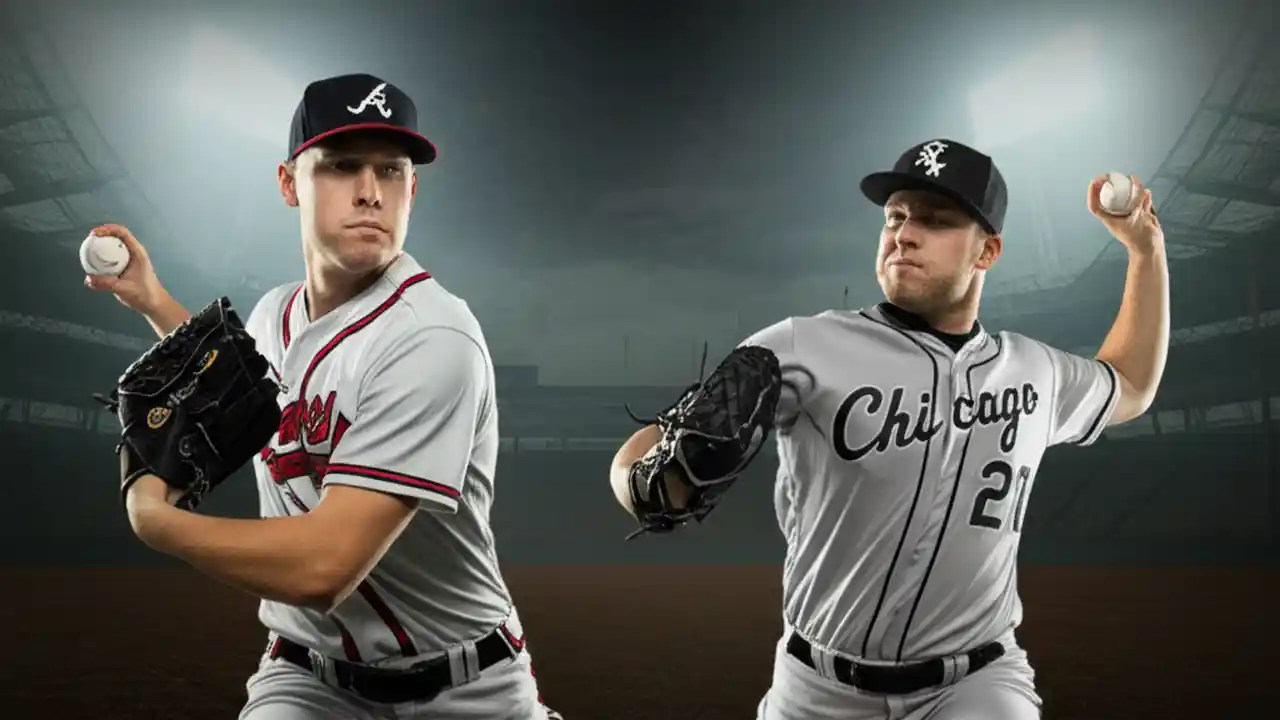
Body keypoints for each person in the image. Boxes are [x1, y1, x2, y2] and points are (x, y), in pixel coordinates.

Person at [608, 138, 1168, 719]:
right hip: (816, 690)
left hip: (975, 685)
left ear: (988, 251)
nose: (904, 232)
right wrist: (647, 484)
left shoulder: (1034, 370)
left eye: (935, 219)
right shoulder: (800, 346)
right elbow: (639, 466)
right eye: (896, 216)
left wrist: (1146, 251)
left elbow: (1128, 385)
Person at [88, 73, 561, 720]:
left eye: (391, 172)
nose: (370, 193)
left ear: (412, 189)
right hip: (306, 681)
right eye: (341, 167)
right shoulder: (272, 314)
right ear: (289, 184)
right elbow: (240, 388)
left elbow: (324, 570)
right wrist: (152, 301)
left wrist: (160, 523)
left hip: (463, 691)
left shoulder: (433, 337)